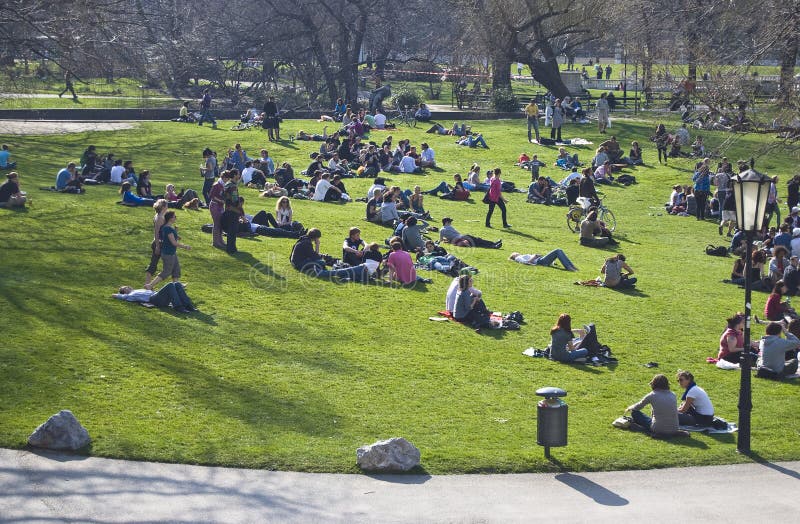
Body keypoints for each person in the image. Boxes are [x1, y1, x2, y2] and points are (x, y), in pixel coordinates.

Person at [147, 211, 190, 290]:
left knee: (176, 270)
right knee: (167, 271)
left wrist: (176, 233)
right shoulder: (167, 228)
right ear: (170, 219)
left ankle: (176, 285)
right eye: (174, 217)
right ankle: (150, 285)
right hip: (168, 254)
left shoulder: (169, 228)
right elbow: (173, 242)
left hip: (172, 253)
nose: (175, 218)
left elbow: (170, 239)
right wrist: (185, 246)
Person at [112, 282, 196, 313]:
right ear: (124, 292)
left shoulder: (137, 290)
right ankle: (179, 307)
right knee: (170, 285)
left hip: (156, 295)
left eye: (126, 286)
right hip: (154, 300)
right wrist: (116, 295)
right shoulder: (130, 295)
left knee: (176, 284)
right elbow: (121, 296)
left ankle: (188, 306)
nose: (127, 286)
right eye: (125, 288)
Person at [144, 199, 169, 286]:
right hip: (159, 244)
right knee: (154, 265)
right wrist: (158, 247)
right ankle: (148, 284)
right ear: (163, 207)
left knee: (171, 264)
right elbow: (156, 232)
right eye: (166, 205)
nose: (167, 207)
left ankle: (176, 283)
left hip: (161, 243)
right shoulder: (159, 218)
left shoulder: (161, 216)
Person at [222, 170, 244, 254]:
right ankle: (231, 249)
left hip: (228, 209)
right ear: (235, 175)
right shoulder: (232, 186)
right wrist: (239, 209)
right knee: (233, 231)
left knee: (230, 231)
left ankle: (230, 248)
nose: (239, 175)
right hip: (233, 210)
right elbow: (234, 200)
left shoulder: (227, 184)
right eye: (238, 174)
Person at [509, 250, 578, 271]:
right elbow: (526, 262)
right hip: (540, 261)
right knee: (558, 251)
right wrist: (535, 256)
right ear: (514, 256)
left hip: (540, 260)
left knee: (559, 251)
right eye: (515, 253)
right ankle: (569, 267)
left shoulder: (520, 256)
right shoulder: (517, 258)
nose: (517, 252)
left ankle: (572, 266)